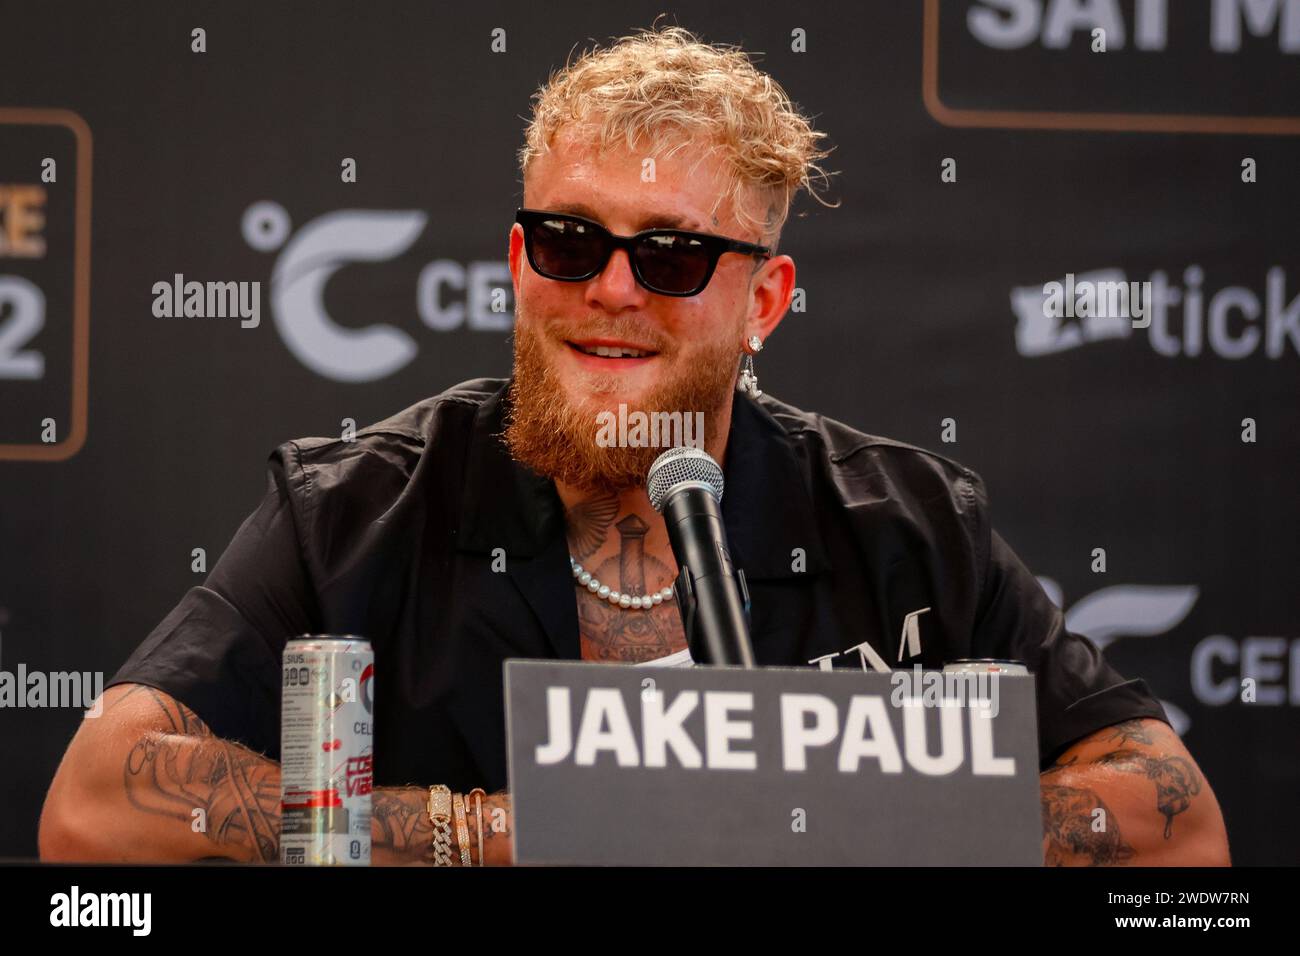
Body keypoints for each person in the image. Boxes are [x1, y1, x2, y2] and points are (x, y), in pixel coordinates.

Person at [39, 25, 1228, 866]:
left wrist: (866, 818)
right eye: (567, 241)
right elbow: (94, 809)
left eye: (668, 256)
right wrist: (509, 833)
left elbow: (1180, 826)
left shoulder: (904, 522)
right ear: (518, 265)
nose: (609, 289)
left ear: (762, 301)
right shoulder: (353, 512)